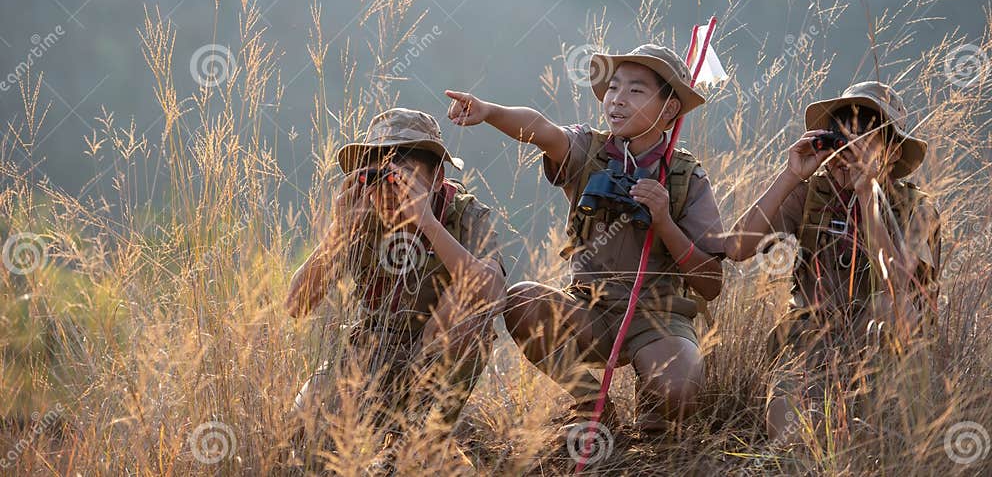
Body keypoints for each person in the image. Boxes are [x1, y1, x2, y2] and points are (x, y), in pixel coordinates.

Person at [445, 43, 726, 433]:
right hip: (590, 310)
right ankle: (591, 403)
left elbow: (710, 283)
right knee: (524, 300)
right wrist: (490, 112)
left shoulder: (685, 176)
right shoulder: (589, 149)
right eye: (613, 88)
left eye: (636, 90)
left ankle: (654, 407)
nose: (618, 100)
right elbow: (541, 129)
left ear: (669, 109)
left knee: (678, 391)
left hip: (658, 316)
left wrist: (663, 220)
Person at [285, 108, 507, 460]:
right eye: (376, 176)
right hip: (370, 354)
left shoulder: (463, 214)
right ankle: (403, 443)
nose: (389, 190)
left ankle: (423, 439)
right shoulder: (360, 216)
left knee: (469, 309)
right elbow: (296, 306)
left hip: (431, 357)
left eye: (403, 178)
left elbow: (493, 296)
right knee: (300, 429)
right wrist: (338, 233)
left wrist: (429, 222)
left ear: (438, 179)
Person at [726, 81, 941, 441]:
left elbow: (900, 286)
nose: (850, 151)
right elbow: (736, 249)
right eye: (840, 137)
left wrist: (867, 197)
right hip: (812, 335)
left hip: (882, 342)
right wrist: (791, 175)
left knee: (890, 308)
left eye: (865, 139)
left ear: (892, 152)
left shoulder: (917, 209)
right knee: (788, 435)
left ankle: (876, 416)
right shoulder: (813, 194)